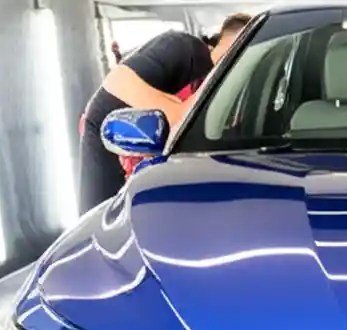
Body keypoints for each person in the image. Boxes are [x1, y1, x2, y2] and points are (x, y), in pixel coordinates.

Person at [77, 13, 252, 213]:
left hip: (150, 162)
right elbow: (117, 81)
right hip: (110, 141)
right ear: (237, 39)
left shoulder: (230, 88)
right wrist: (181, 112)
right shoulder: (183, 48)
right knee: (100, 226)